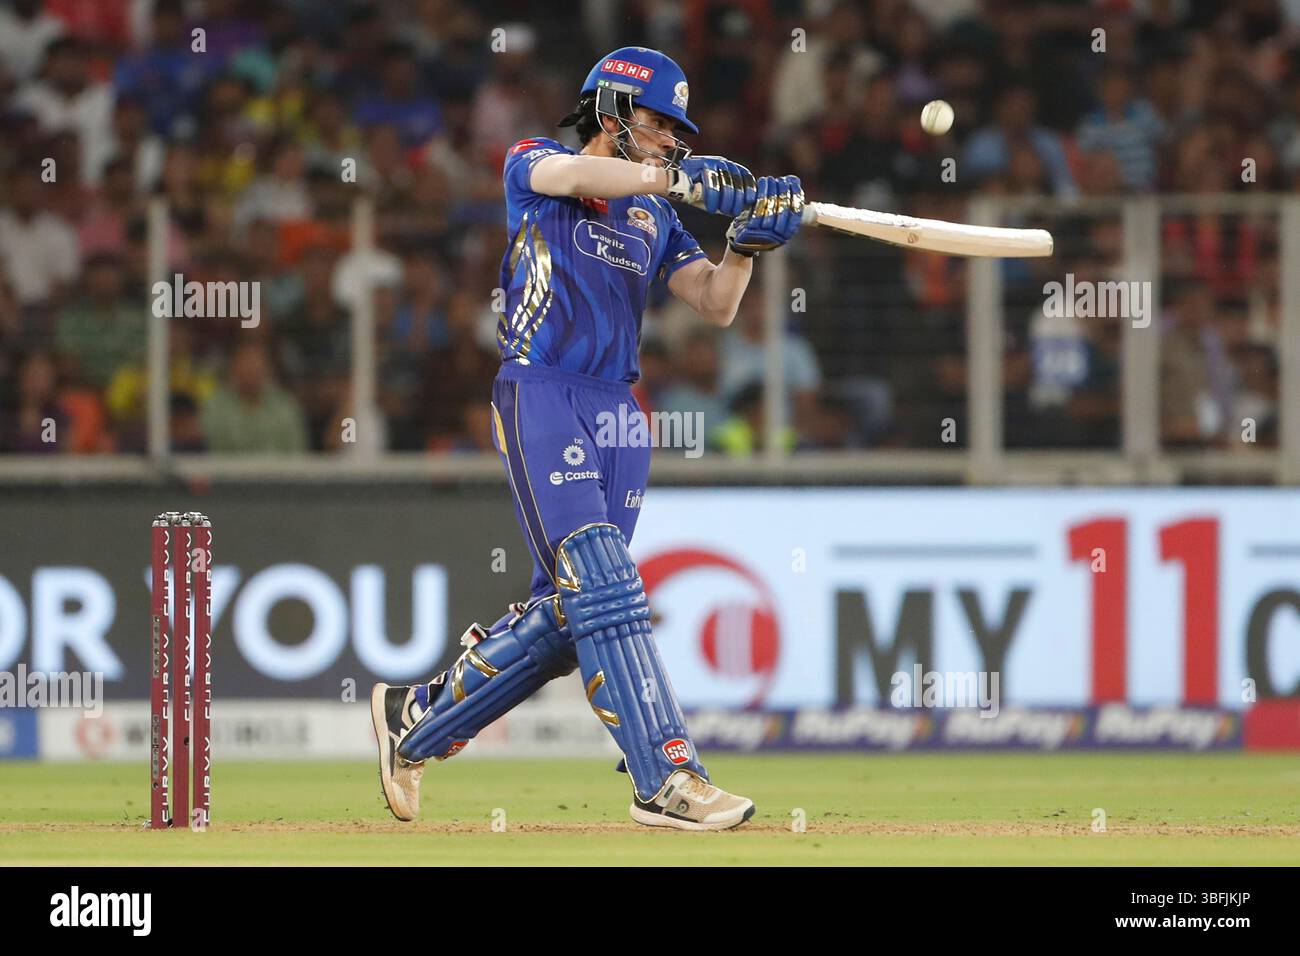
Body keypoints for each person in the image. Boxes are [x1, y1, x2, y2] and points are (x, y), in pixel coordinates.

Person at [370, 47, 802, 831]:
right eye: (658, 122)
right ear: (610, 110)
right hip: (541, 390)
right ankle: (667, 778)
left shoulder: (655, 214)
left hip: (617, 412)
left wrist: (744, 245)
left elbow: (714, 305)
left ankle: (417, 718)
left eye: (679, 130)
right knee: (604, 581)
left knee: (576, 615)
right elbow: (579, 180)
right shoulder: (535, 164)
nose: (672, 139)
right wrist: (674, 179)